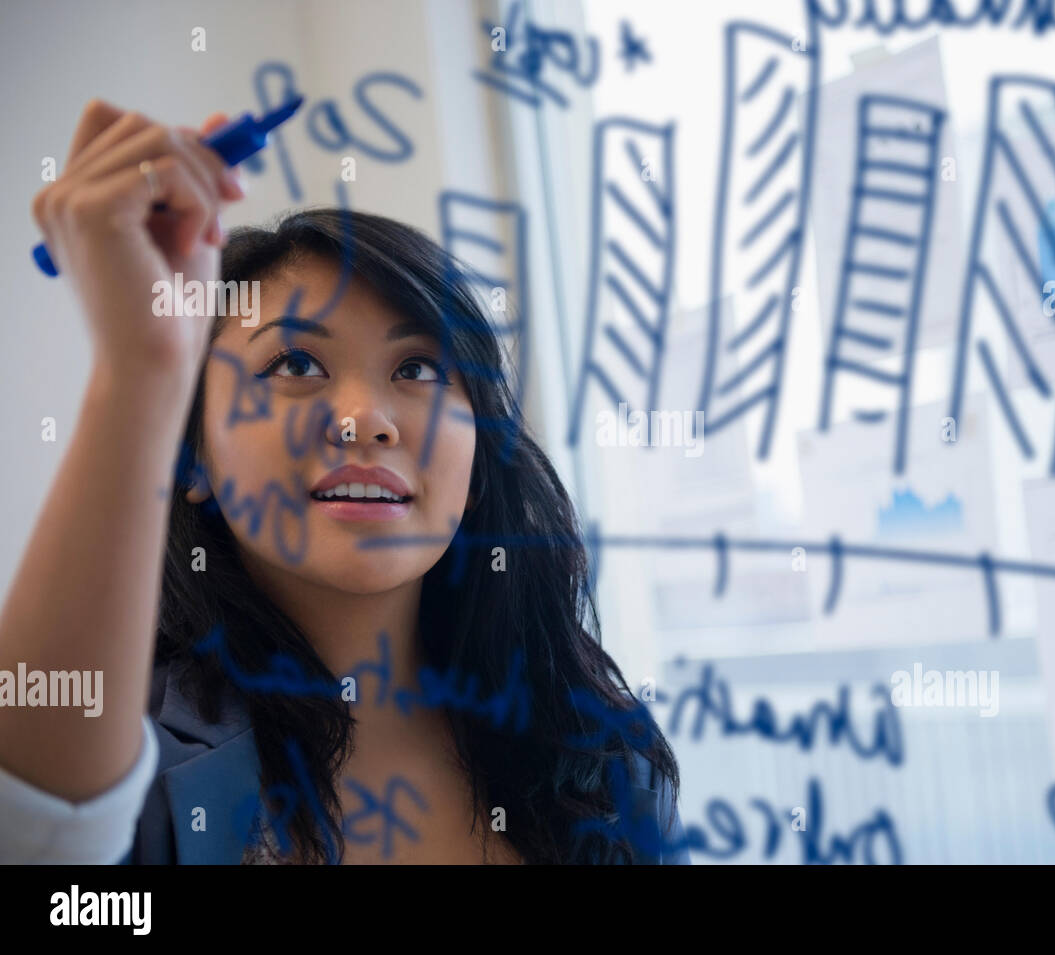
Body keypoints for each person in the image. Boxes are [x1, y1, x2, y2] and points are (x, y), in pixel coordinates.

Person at [0, 101, 689, 865]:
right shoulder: (119, 755)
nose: (365, 420)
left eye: (418, 368)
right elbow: (37, 827)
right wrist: (141, 367)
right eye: (294, 365)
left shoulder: (603, 753)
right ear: (193, 456)